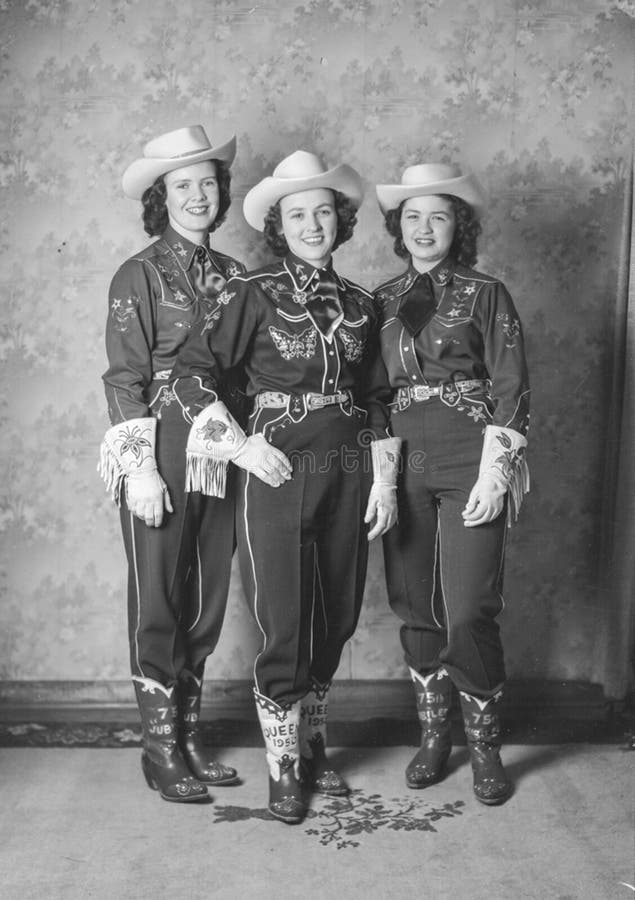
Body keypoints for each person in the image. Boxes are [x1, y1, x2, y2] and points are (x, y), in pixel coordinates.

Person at [169, 150, 401, 824]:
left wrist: (384, 482)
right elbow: (192, 373)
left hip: (349, 468)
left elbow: (380, 397)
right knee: (283, 616)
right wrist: (239, 446)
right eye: (296, 213)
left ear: (340, 219)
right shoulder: (253, 290)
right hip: (278, 466)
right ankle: (281, 766)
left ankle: (315, 742)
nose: (311, 223)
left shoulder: (361, 305)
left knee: (337, 611)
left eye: (322, 211)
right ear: (278, 223)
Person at [373, 163, 530, 805]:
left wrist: (498, 471)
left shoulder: (487, 293)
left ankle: (485, 747)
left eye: (437, 216)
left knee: (468, 607)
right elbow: (372, 395)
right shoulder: (378, 300)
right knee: (415, 605)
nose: (424, 228)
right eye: (412, 216)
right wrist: (382, 479)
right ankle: (435, 735)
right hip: (404, 460)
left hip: (470, 451)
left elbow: (513, 385)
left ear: (456, 226)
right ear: (398, 226)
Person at [98, 125, 246, 802]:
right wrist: (140, 469)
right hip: (159, 442)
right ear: (162, 197)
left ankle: (188, 734)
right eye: (182, 185)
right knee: (158, 593)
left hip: (217, 447)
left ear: (221, 194)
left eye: (207, 183)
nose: (197, 195)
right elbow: (124, 378)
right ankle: (159, 750)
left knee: (205, 592)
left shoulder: (239, 278)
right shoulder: (139, 274)